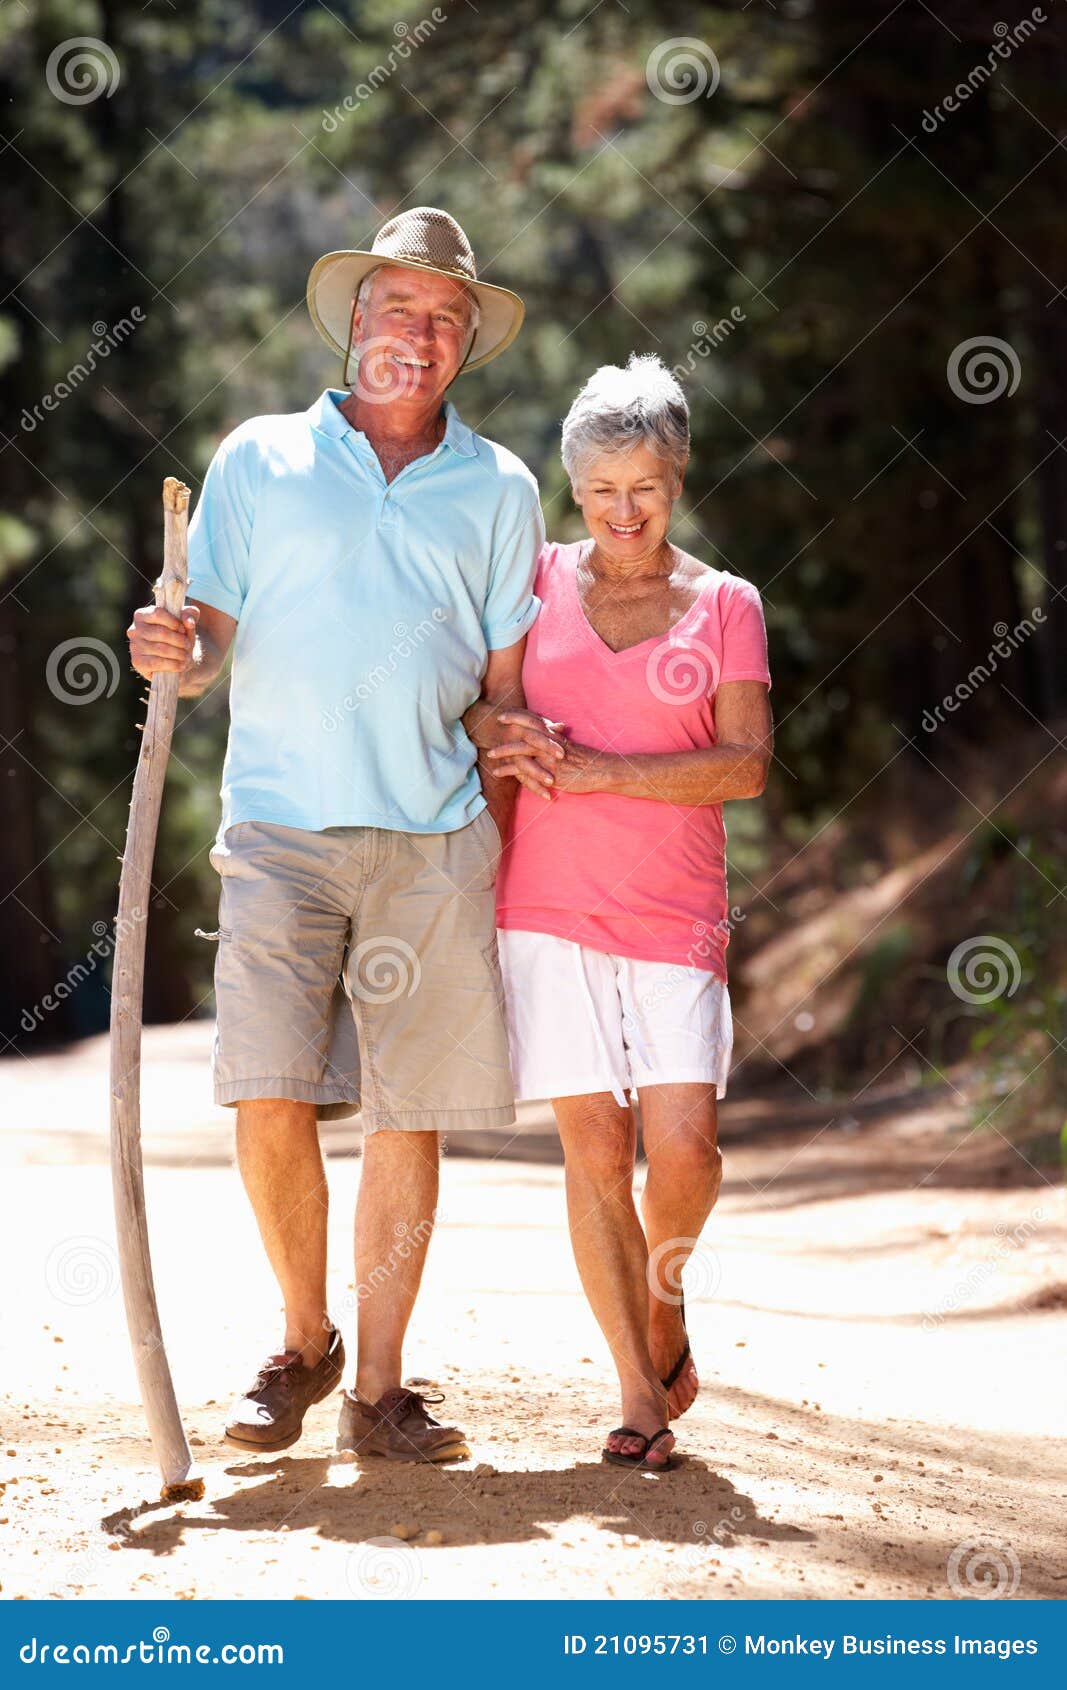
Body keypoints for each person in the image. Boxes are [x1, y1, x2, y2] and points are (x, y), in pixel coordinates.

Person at [126, 207, 553, 1463]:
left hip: (432, 835)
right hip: (278, 828)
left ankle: (379, 1386)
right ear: (353, 316)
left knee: (407, 1110)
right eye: (397, 307)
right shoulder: (257, 459)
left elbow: (503, 689)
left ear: (464, 343)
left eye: (442, 318)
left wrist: (512, 750)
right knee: (266, 1091)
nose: (414, 334)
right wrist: (172, 648)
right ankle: (300, 1342)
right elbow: (205, 641)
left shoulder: (500, 486)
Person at [476, 354, 773, 1470]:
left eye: (641, 485)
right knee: (593, 1151)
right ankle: (635, 1392)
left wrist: (598, 770)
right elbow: (484, 717)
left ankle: (664, 1300)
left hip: (674, 912)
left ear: (676, 475)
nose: (620, 510)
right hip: (542, 906)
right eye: (599, 488)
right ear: (573, 490)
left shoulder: (725, 603)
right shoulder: (534, 585)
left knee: (683, 1148)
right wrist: (494, 738)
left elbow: (743, 766)